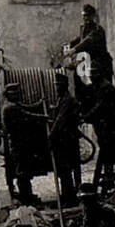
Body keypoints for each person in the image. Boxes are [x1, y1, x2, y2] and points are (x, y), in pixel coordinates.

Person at [85, 66, 115, 191]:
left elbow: (100, 107)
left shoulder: (105, 88)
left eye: (94, 74)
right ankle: (112, 181)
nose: (91, 77)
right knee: (110, 156)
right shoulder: (99, 88)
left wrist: (86, 117)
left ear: (99, 75)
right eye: (90, 74)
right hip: (111, 130)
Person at [1, 82, 41, 206]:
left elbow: (25, 107)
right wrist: (42, 117)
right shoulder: (10, 108)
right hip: (17, 143)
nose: (17, 95)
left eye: (17, 93)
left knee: (24, 170)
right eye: (14, 93)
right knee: (22, 171)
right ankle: (26, 197)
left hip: (19, 143)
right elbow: (27, 115)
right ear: (8, 95)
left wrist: (38, 104)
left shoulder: (12, 105)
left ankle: (27, 195)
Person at [48, 71, 81, 208]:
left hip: (67, 140)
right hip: (65, 139)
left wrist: (51, 136)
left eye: (58, 86)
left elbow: (60, 120)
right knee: (65, 169)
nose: (56, 88)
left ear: (64, 86)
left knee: (66, 169)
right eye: (55, 85)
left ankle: (70, 197)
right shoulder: (62, 99)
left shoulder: (67, 100)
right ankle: (67, 195)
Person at [69, 4, 113, 87]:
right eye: (84, 15)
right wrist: (71, 44)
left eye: (88, 16)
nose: (85, 18)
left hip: (100, 63)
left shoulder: (97, 29)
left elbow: (88, 40)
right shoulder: (83, 28)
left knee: (101, 87)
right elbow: (81, 38)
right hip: (87, 62)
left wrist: (74, 49)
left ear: (92, 16)